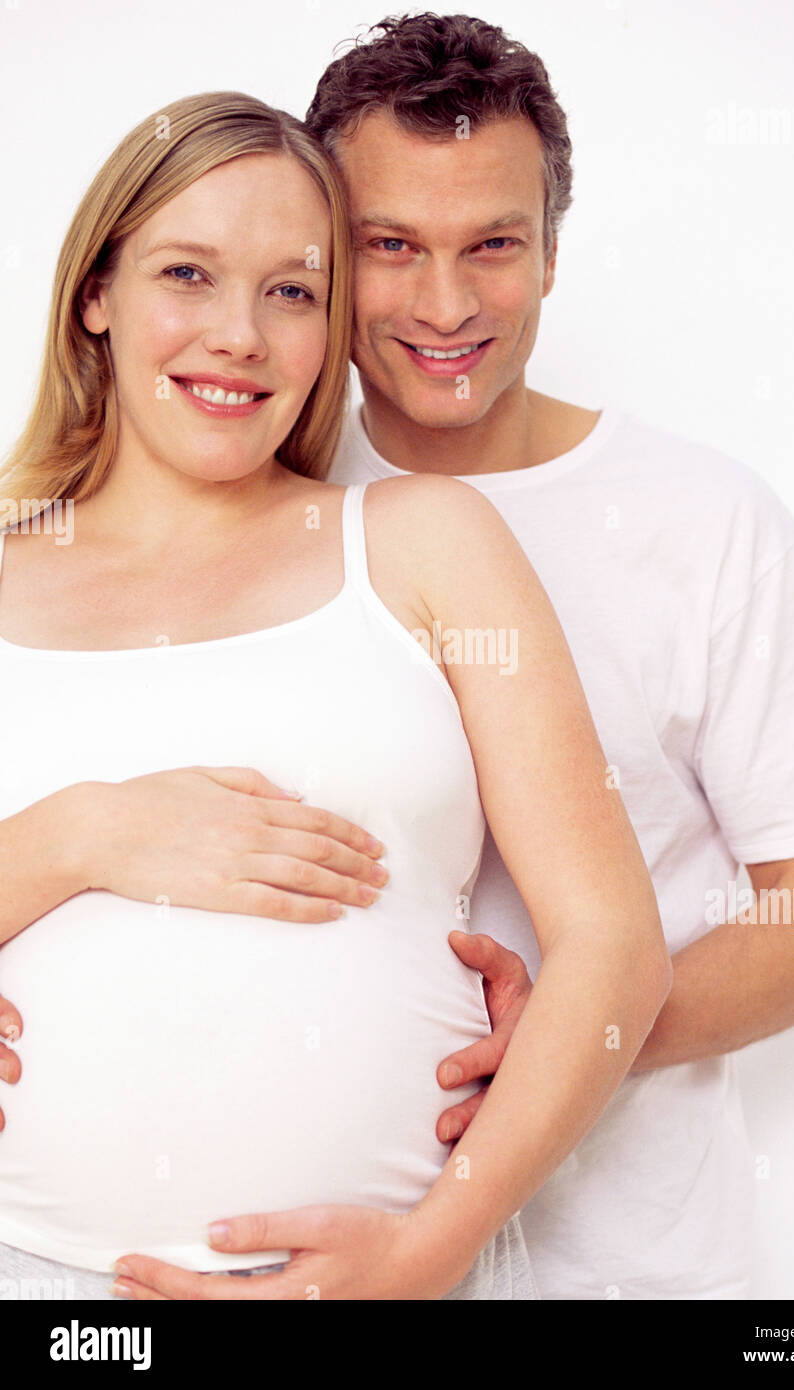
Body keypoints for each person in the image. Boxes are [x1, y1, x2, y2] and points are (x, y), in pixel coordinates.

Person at [54, 14, 794, 1303]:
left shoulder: (700, 520)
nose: (445, 304)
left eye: (493, 243)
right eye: (389, 247)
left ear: (552, 255)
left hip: (620, 1253)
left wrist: (562, 1033)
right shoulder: (247, 485)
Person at [0, 89, 671, 1301]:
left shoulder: (422, 542)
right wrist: (75, 835)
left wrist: (431, 1249)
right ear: (96, 295)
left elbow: (614, 943)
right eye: (188, 274)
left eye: (294, 290)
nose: (241, 335)